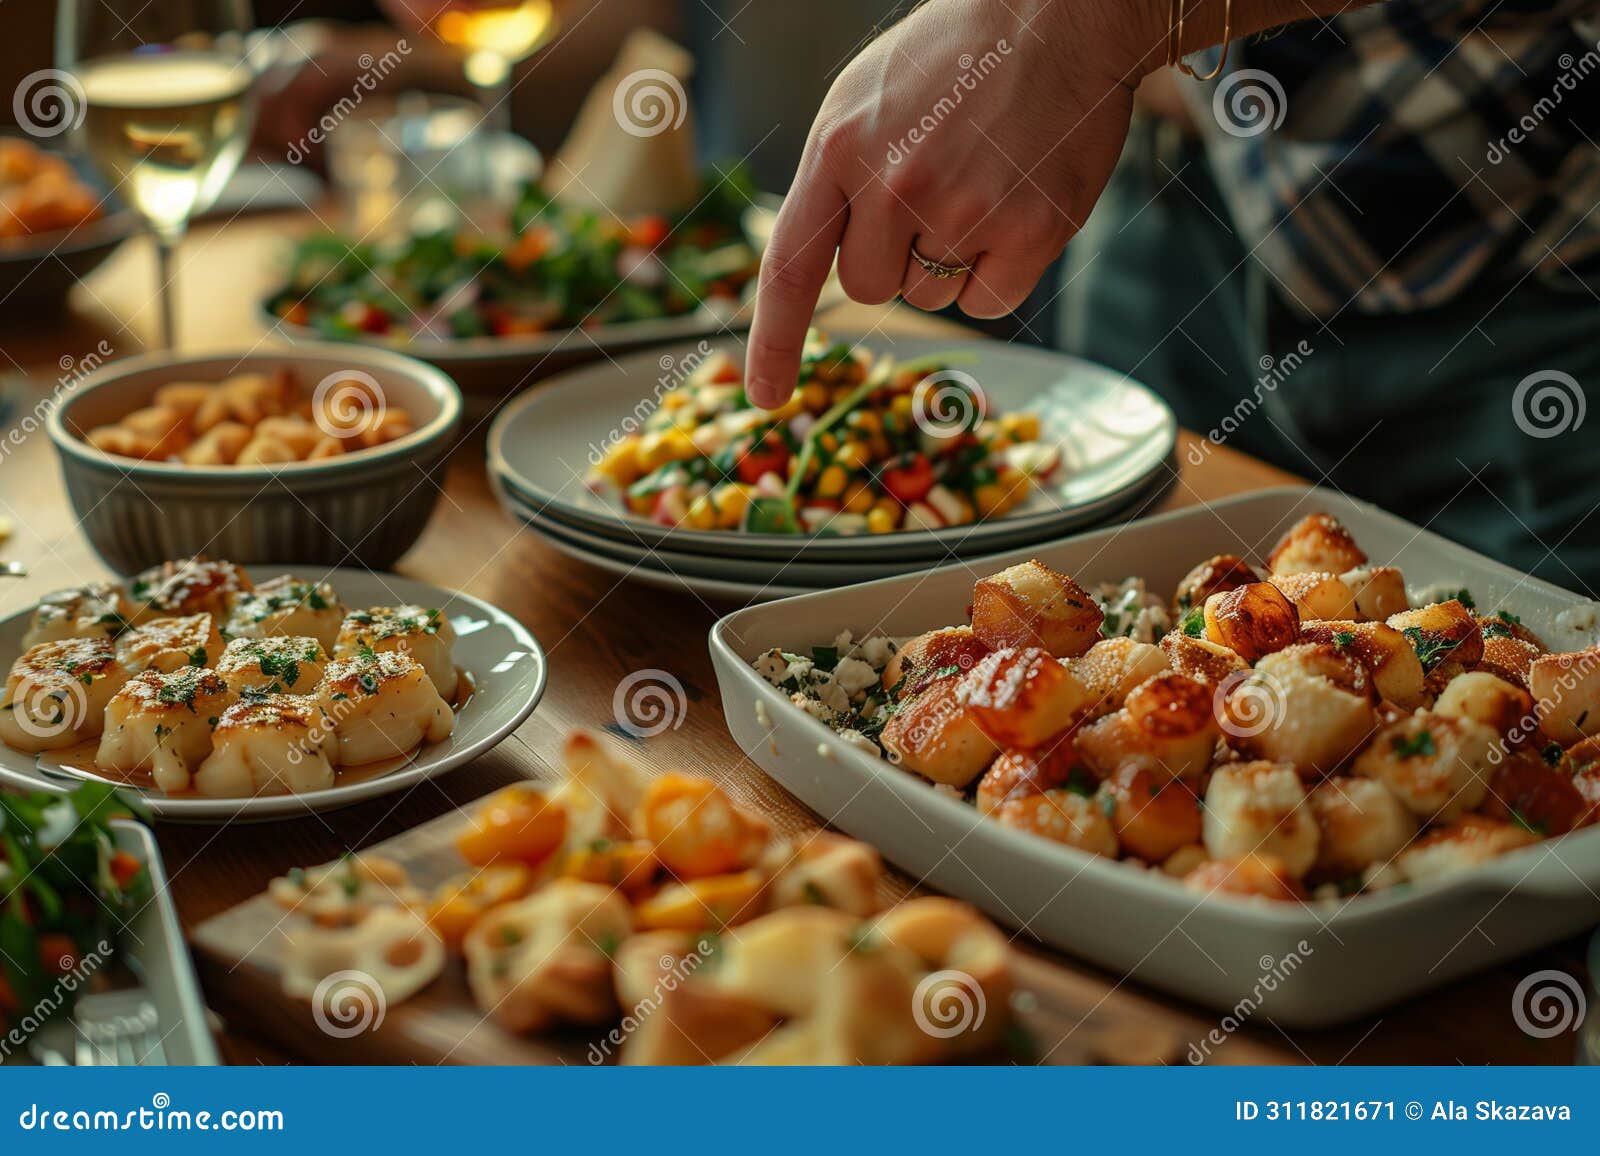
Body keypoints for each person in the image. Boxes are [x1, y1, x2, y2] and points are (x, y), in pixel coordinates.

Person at [744, 0, 1600, 588]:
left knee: (1526, 781)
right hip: (1169, 199)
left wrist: (1071, 26)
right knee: (1114, 672)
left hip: (1538, 288)